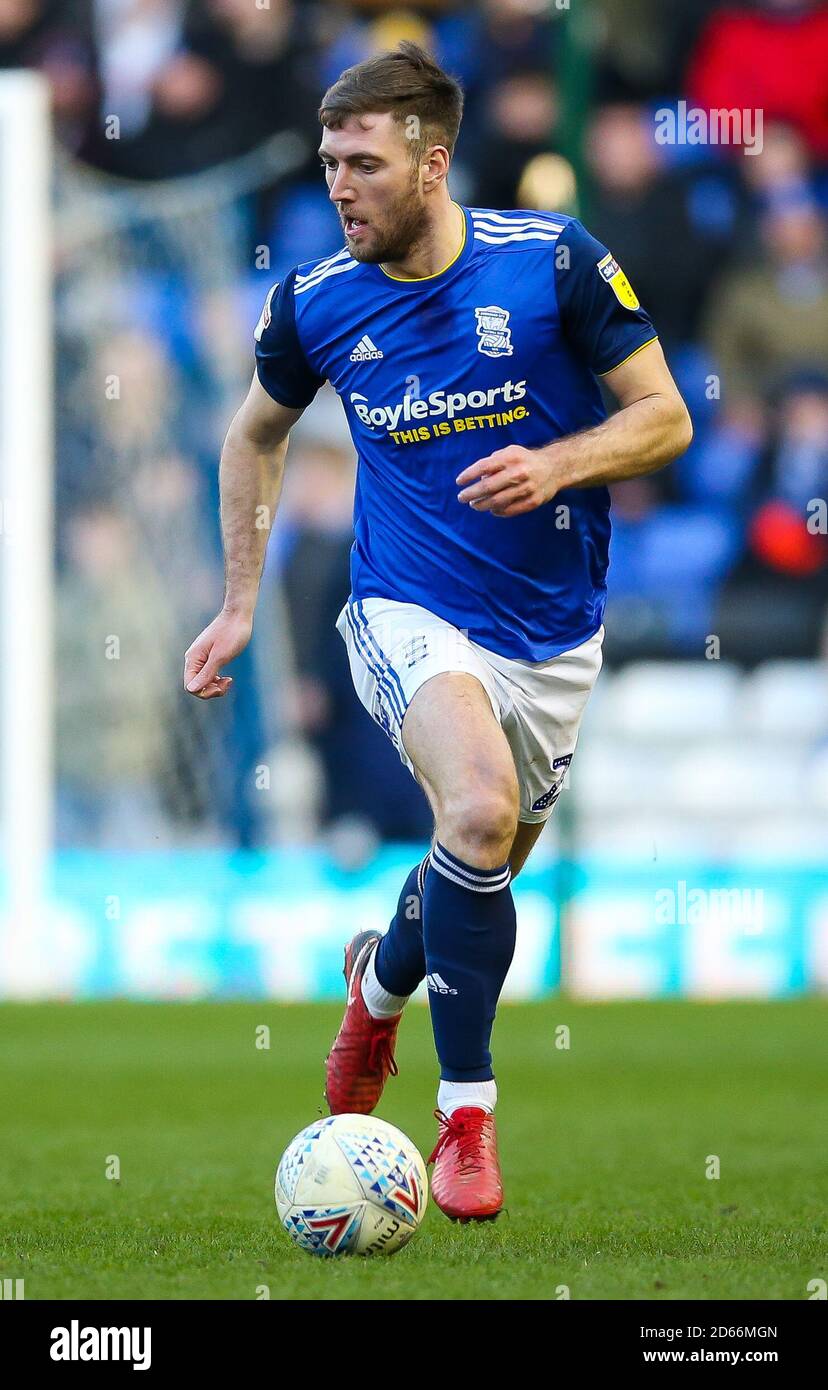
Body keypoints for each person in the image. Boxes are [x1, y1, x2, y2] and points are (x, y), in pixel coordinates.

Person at [183, 42, 692, 1225]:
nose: (340, 186)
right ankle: (467, 1120)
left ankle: (377, 987)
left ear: (433, 158)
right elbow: (250, 438)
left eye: (363, 162)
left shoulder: (554, 263)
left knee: (484, 860)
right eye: (328, 163)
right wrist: (242, 599)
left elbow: (665, 417)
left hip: (554, 633)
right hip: (405, 610)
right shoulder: (314, 303)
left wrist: (561, 460)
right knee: (471, 813)